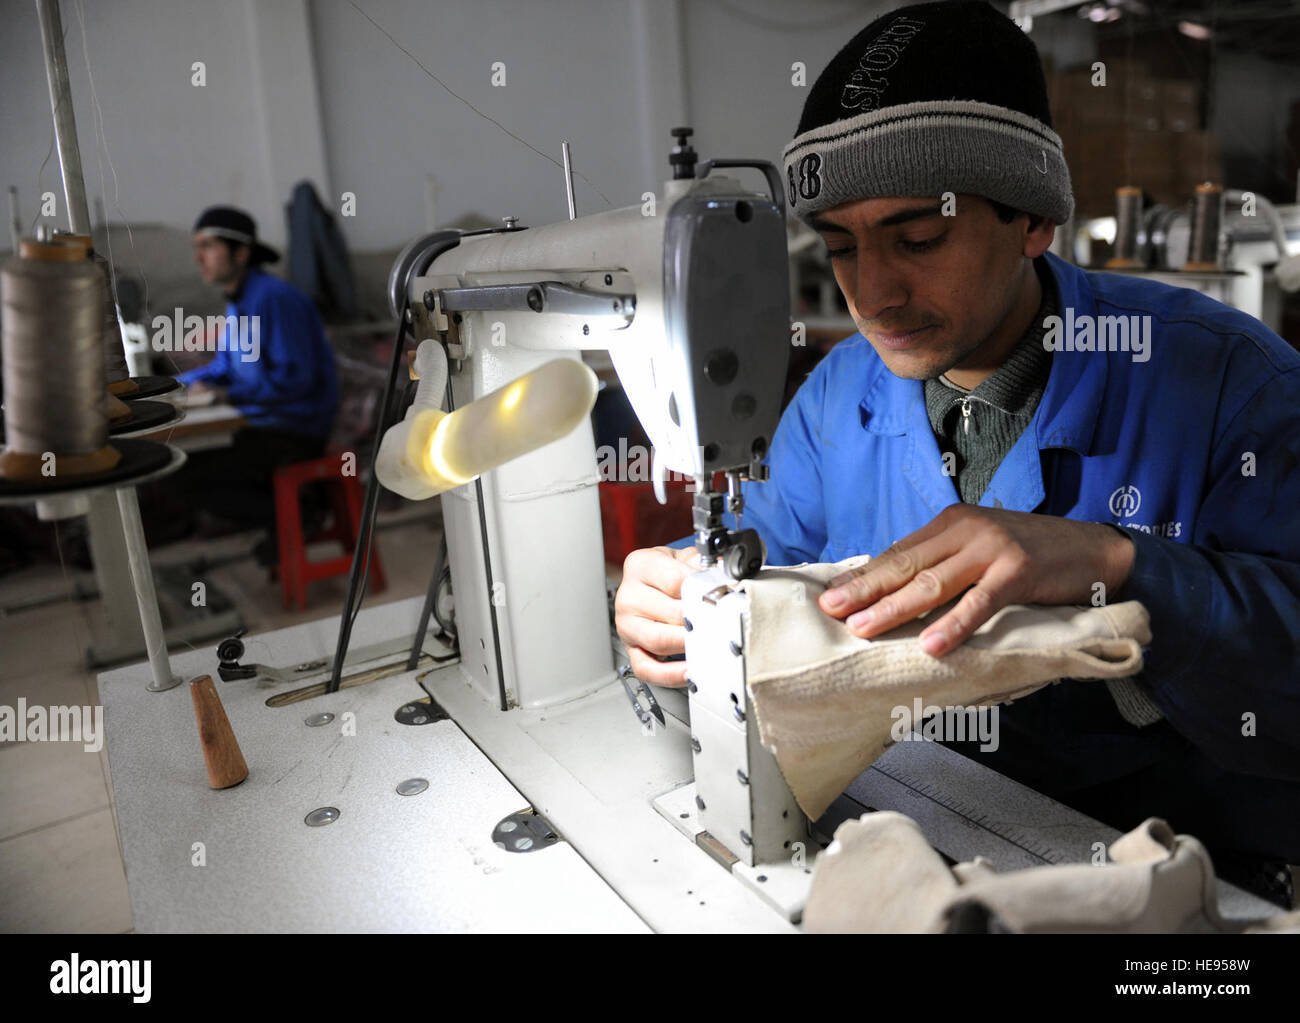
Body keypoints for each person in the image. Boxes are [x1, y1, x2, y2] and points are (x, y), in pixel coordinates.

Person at [614, 0, 1300, 907]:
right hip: (933, 814)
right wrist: (680, 599)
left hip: (1180, 860)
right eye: (840, 248)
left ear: (1032, 222)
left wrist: (1124, 568)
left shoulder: (1223, 381)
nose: (874, 294)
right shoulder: (833, 401)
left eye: (918, 238)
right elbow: (759, 560)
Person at [173, 206, 340, 562]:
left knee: (183, 474)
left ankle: (300, 515)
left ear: (241, 252)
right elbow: (225, 367)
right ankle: (287, 520)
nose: (198, 257)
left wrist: (226, 394)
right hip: (265, 423)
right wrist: (166, 387)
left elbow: (296, 379)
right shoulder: (240, 304)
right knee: (189, 467)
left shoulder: (274, 299)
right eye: (196, 247)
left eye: (208, 246)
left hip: (294, 430)